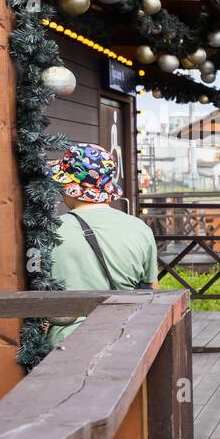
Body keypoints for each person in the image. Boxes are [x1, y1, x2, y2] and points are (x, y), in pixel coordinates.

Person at [46, 142, 158, 351]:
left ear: (69, 186)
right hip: (126, 339)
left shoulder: (50, 231)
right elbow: (152, 290)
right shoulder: (140, 229)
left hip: (66, 344)